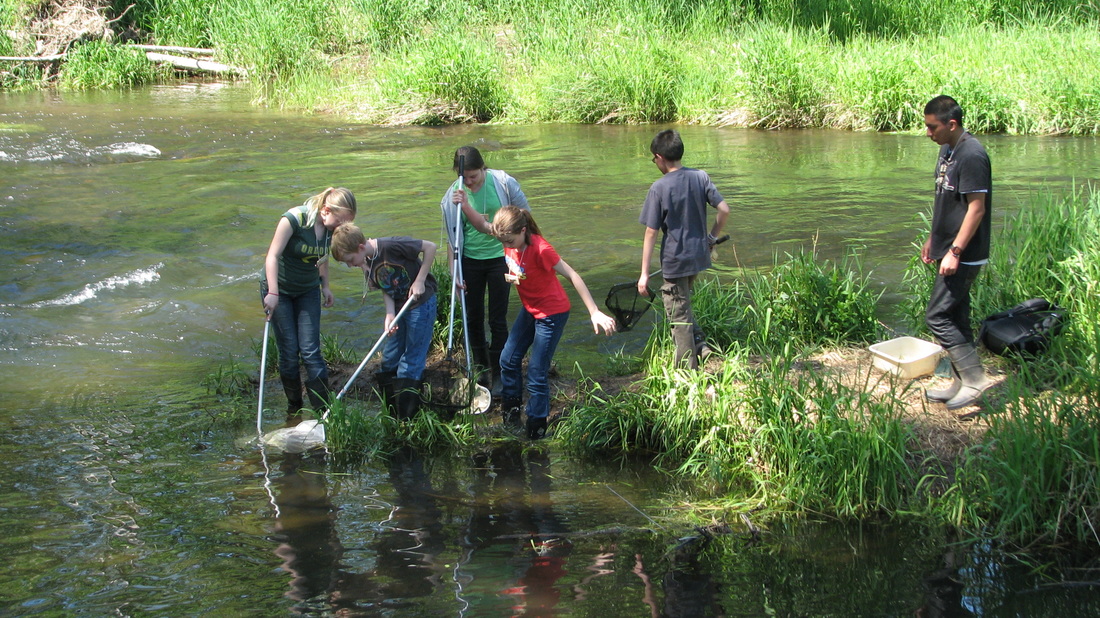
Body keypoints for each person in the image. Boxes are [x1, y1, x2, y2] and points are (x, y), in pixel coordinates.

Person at [460, 204, 616, 439]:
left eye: (510, 242)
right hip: (531, 309)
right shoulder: (505, 234)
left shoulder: (541, 249)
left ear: (523, 231)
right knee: (508, 360)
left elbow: (572, 275)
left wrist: (594, 311)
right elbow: (482, 225)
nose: (506, 246)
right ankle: (511, 418)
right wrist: (463, 204)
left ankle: (536, 429)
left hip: (552, 313)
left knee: (536, 372)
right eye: (503, 241)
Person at [921, 95, 994, 410]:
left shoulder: (972, 154)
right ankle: (960, 382)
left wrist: (954, 251)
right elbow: (946, 202)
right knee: (956, 316)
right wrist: (932, 239)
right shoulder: (947, 149)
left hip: (964, 252)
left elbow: (976, 209)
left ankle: (976, 380)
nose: (928, 132)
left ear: (952, 124)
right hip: (947, 246)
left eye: (932, 126)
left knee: (936, 316)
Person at [440, 146, 529, 396]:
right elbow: (451, 239)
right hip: (470, 261)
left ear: (483, 168)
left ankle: (500, 372)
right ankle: (480, 371)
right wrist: (454, 273)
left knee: (497, 319)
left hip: (501, 258)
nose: (469, 182)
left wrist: (522, 258)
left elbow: (525, 217)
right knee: (473, 318)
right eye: (464, 178)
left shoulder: (503, 182)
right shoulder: (452, 196)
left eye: (474, 176)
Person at [638, 129, 730, 369]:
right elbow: (724, 210)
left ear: (659, 157)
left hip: (675, 261)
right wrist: (711, 238)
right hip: (698, 257)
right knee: (683, 304)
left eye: (653, 159)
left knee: (677, 315)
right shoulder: (701, 177)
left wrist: (644, 273)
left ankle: (686, 372)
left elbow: (651, 232)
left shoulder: (658, 188)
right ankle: (701, 346)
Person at [261, 187, 357, 415]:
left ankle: (323, 412)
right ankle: (294, 408)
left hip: (308, 290)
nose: (341, 228)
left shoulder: (330, 230)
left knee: (311, 351)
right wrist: (273, 292)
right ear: (326, 211)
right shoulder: (294, 219)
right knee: (289, 351)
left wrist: (325, 286)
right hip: (279, 290)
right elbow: (272, 256)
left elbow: (322, 256)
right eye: (341, 221)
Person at [331, 223, 438, 420]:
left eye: (349, 260)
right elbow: (386, 289)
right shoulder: (367, 263)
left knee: (411, 360)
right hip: (399, 308)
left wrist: (420, 280)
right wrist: (389, 314)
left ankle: (407, 418)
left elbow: (430, 247)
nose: (350, 265)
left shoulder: (392, 246)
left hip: (420, 305)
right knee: (389, 359)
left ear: (360, 248)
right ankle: (391, 412)